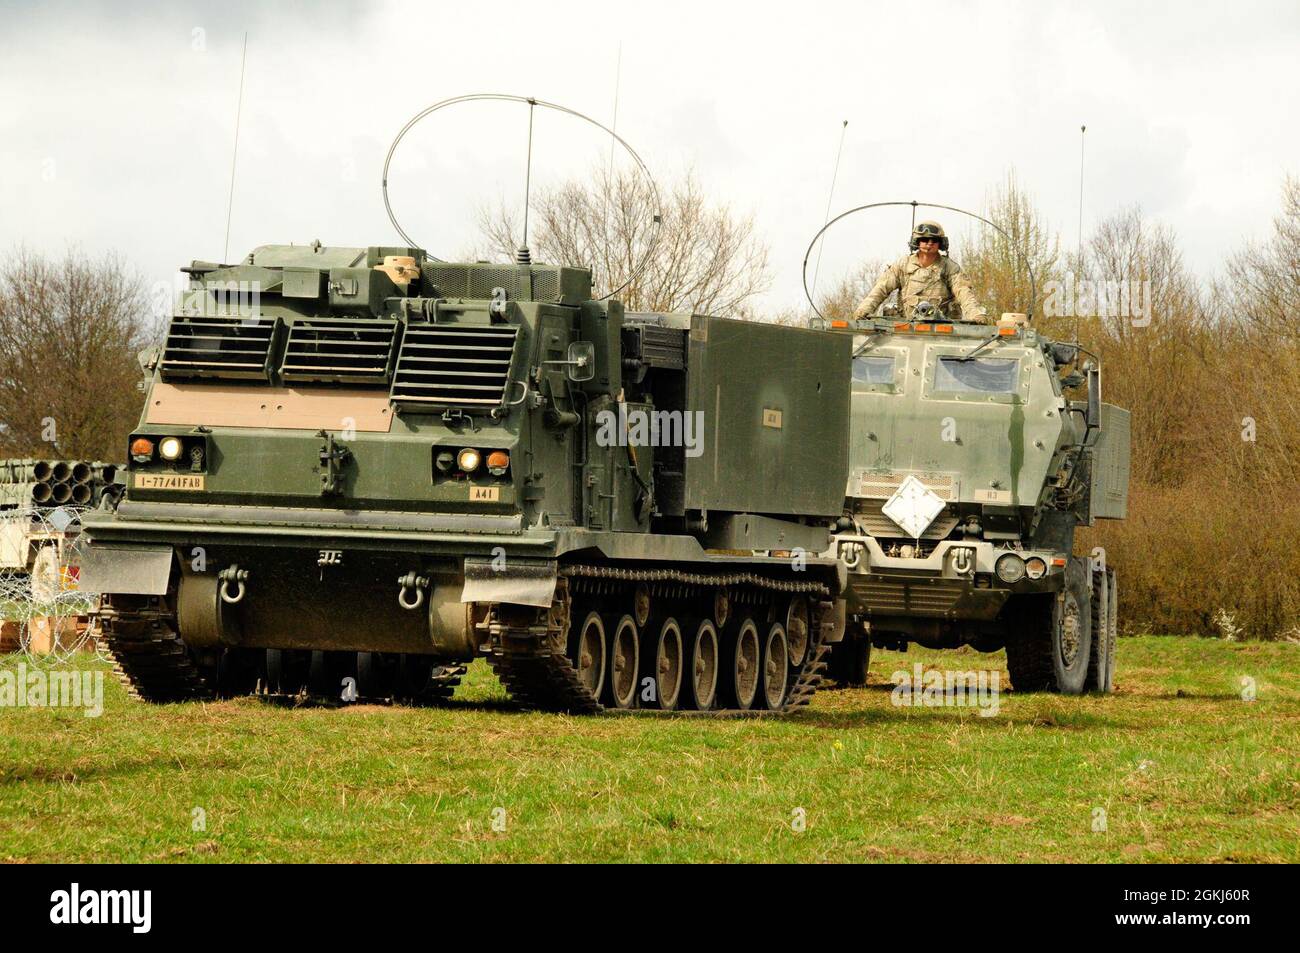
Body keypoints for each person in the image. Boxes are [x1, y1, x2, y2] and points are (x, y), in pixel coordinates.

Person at [852, 221, 989, 323]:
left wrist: (976, 314)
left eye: (934, 240)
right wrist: (864, 310)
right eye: (924, 239)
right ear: (916, 241)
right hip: (906, 328)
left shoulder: (949, 267)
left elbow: (963, 292)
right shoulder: (903, 265)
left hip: (943, 329)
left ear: (941, 243)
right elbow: (881, 289)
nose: (929, 243)